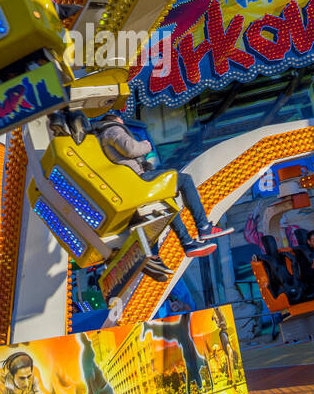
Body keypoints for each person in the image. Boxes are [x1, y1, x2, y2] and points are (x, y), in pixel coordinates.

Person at [92, 110, 232, 276]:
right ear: (114, 119)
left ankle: (187, 243)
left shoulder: (102, 136)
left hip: (131, 183)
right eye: (119, 118)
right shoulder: (113, 130)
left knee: (166, 203)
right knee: (184, 180)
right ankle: (203, 226)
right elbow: (130, 149)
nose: (122, 120)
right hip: (138, 179)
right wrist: (146, 145)